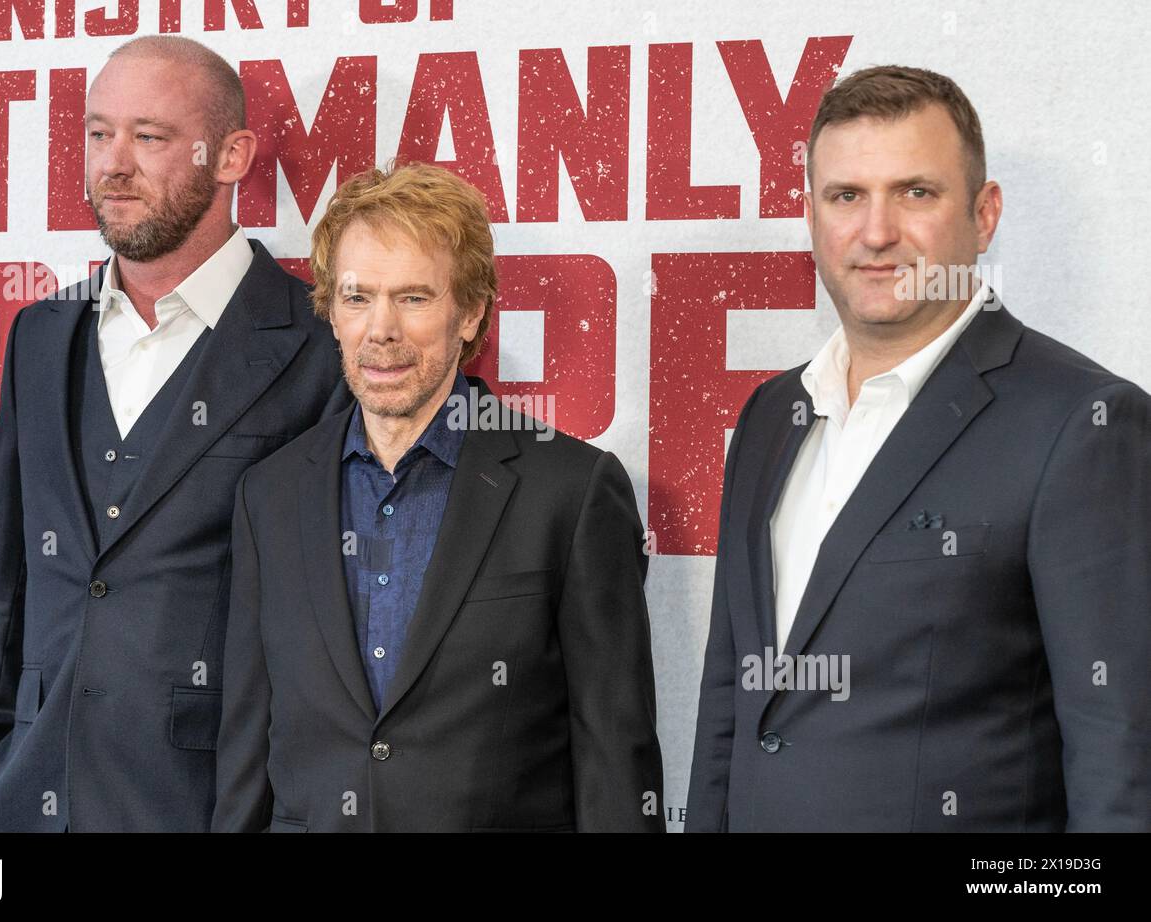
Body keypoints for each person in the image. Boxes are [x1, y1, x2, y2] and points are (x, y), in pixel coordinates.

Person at [687, 65, 1150, 832]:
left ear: (985, 212)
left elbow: (1122, 755)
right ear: (810, 217)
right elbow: (729, 704)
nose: (876, 232)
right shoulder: (772, 416)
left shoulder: (1083, 425)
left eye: (915, 192)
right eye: (847, 197)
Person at [0, 35, 347, 832]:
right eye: (98, 133)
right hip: (12, 808)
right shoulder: (42, 336)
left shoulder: (318, 346)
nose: (112, 165)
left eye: (149, 137)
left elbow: (326, 636)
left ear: (231, 155)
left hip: (197, 808)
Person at [212, 162, 665, 832]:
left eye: (415, 298)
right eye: (358, 297)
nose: (382, 330)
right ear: (332, 311)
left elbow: (614, 764)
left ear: (470, 311)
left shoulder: (570, 491)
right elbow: (247, 751)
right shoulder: (269, 495)